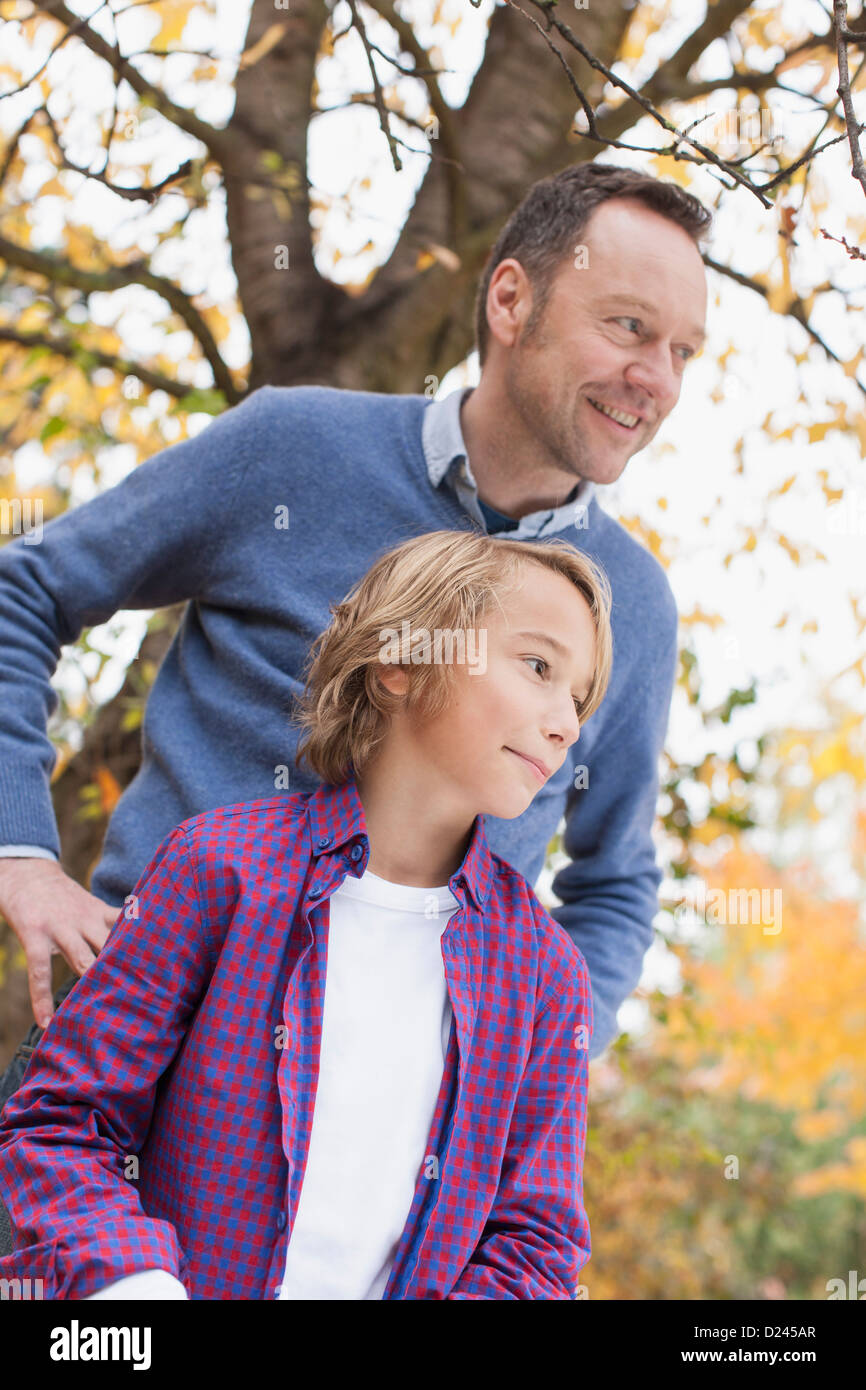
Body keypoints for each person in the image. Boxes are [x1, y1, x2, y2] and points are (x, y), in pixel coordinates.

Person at [0, 160, 710, 1081]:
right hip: (138, 1046)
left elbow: (613, 883)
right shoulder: (292, 446)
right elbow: (24, 590)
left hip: (389, 1114)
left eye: (684, 351)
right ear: (509, 301)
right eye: (628, 326)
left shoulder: (634, 606)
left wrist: (535, 1069)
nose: (655, 377)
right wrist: (20, 851)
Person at [0, 529, 611, 1300]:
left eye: (579, 698)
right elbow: (65, 1123)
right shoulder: (218, 869)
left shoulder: (546, 975)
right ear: (399, 662)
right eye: (538, 667)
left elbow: (535, 1245)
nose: (568, 723)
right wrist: (136, 1290)